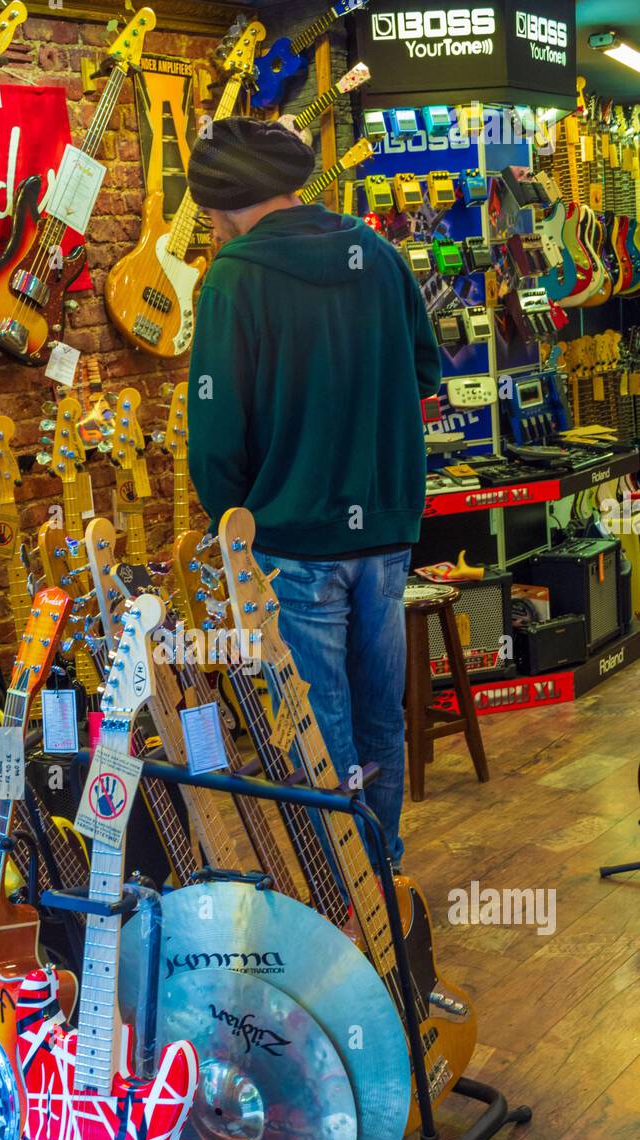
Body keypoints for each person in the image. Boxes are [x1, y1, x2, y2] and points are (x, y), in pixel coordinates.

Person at [186, 118, 441, 868]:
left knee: (316, 729)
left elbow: (215, 432)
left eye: (206, 202)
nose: (205, 218)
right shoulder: (383, 257)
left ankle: (342, 892)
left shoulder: (233, 277)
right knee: (378, 721)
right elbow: (424, 374)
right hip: (387, 535)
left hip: (291, 538)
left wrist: (237, 524)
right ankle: (384, 876)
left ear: (226, 199)